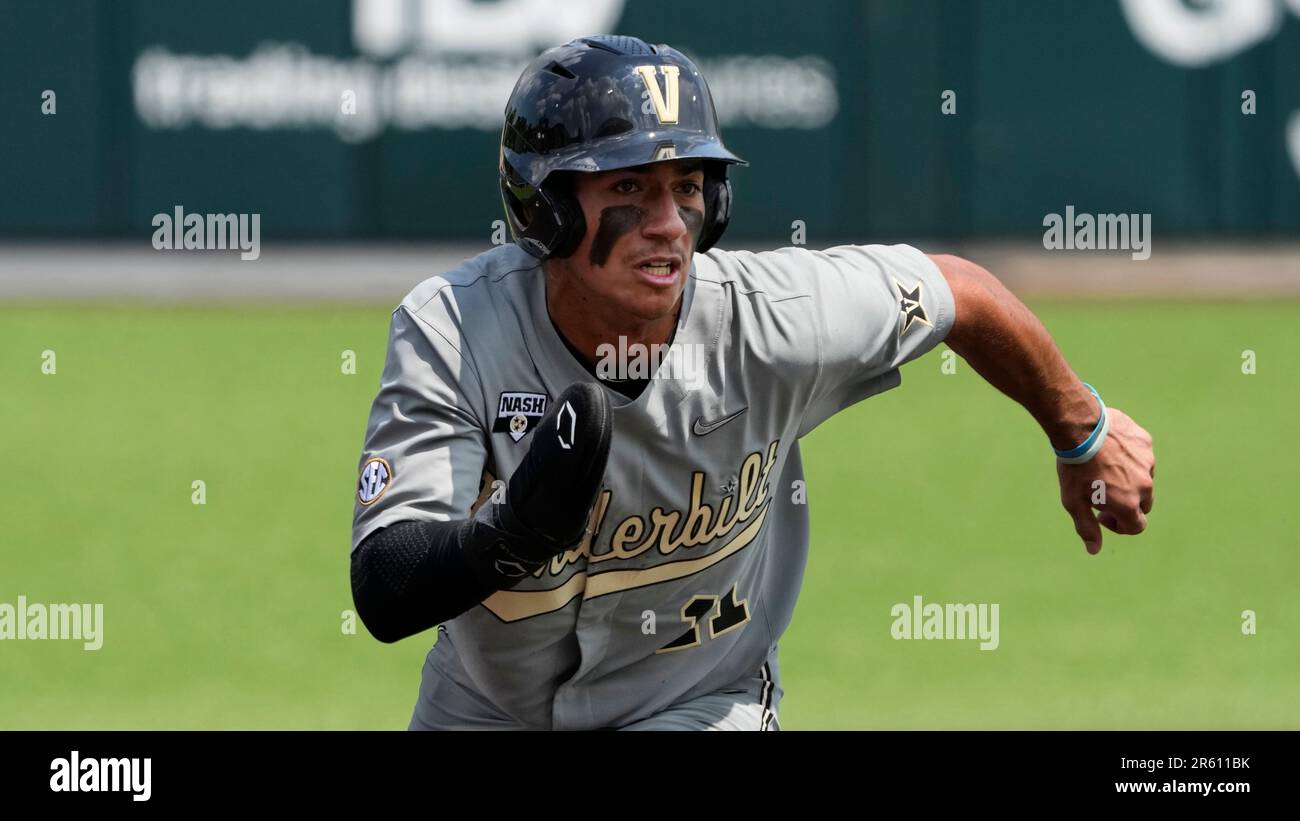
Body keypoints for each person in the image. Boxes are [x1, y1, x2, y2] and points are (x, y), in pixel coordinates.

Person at [349, 35, 1156, 731]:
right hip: (486, 705)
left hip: (699, 697)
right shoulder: (453, 328)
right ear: (547, 209)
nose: (669, 222)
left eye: (688, 187)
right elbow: (386, 589)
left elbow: (961, 294)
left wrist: (1082, 432)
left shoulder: (777, 319)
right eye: (628, 187)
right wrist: (509, 536)